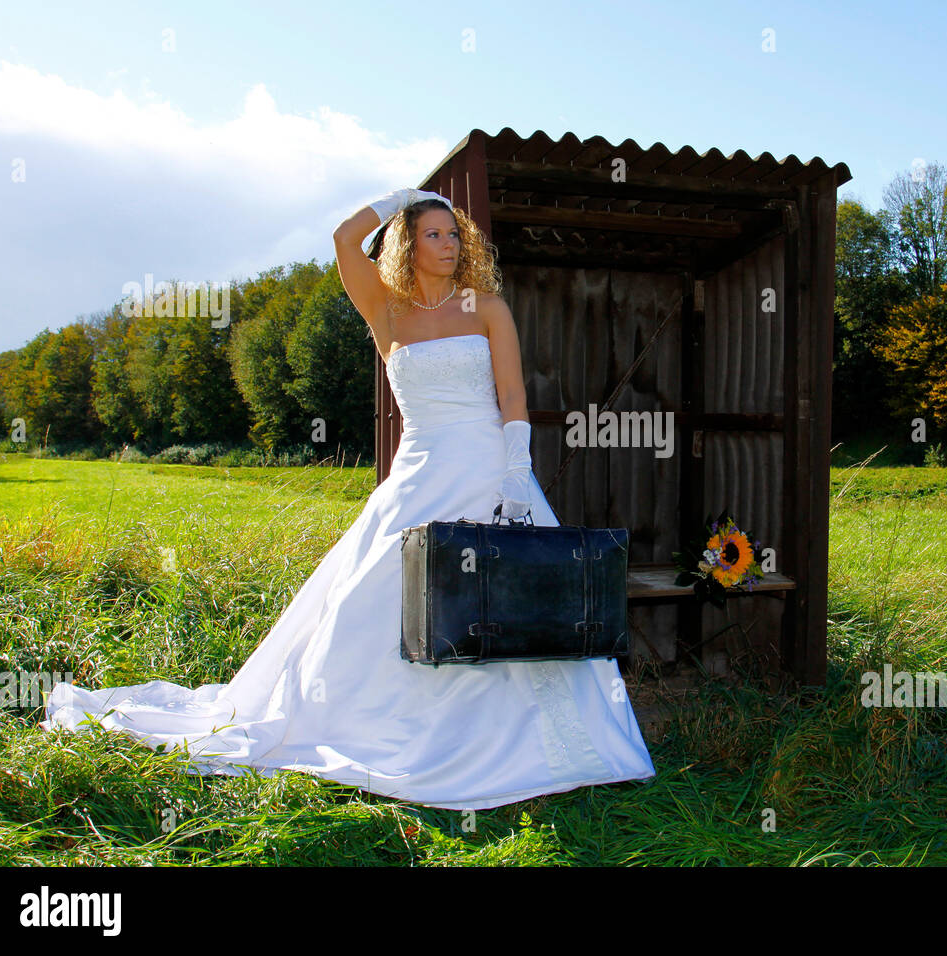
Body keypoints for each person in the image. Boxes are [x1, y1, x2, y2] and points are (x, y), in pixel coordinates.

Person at [41, 187, 657, 810]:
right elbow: (342, 238)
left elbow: (513, 398)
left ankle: (569, 753)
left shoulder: (487, 306)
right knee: (380, 603)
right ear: (405, 244)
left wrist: (517, 475)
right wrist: (400, 198)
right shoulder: (385, 312)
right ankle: (382, 737)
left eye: (454, 235)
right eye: (433, 235)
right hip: (419, 474)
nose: (448, 246)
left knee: (521, 599)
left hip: (491, 471)